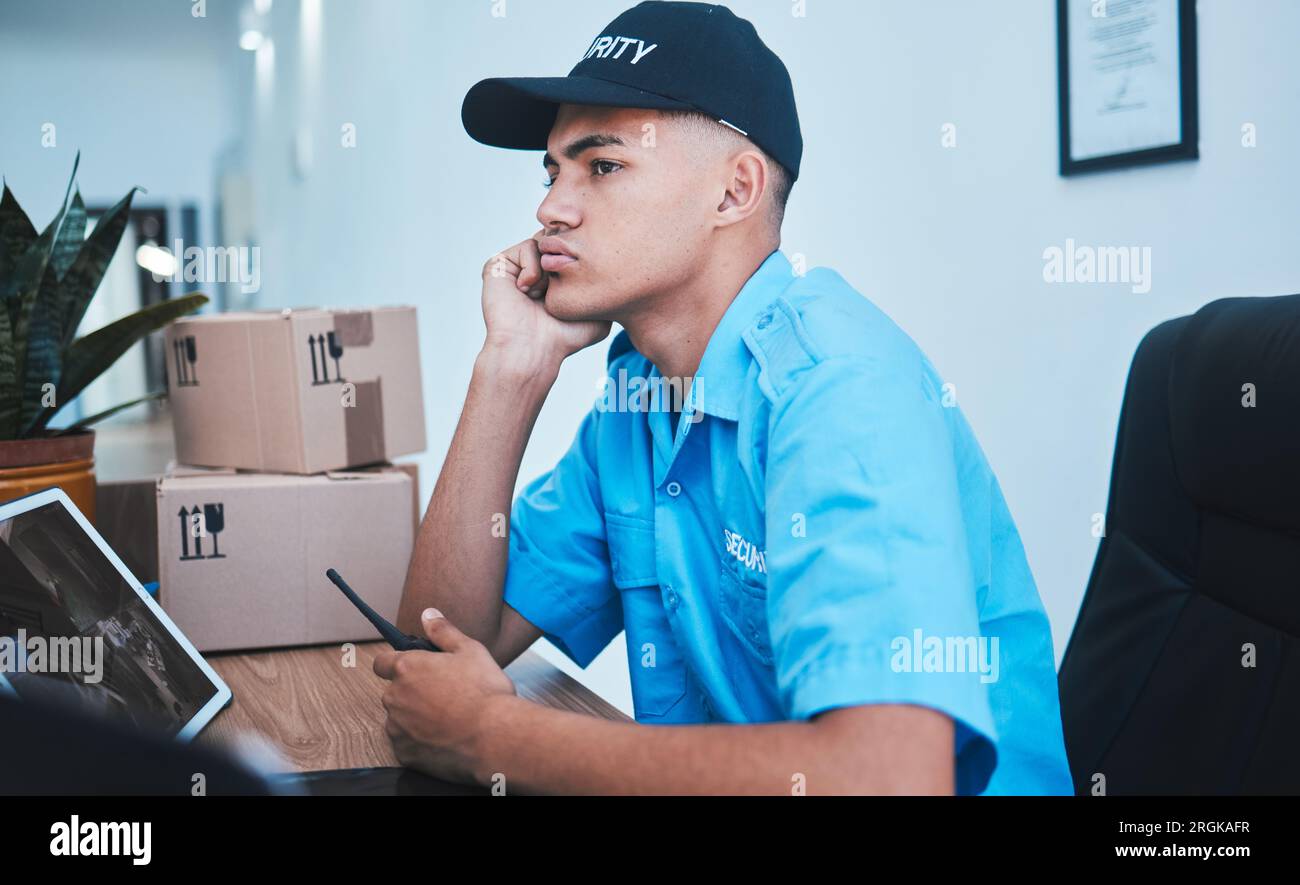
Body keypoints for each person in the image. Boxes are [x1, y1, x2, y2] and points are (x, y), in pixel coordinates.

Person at [378, 1, 1072, 795]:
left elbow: (891, 777)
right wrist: (510, 369)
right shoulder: (638, 398)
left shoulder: (840, 390)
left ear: (734, 192)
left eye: (601, 166)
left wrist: (496, 736)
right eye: (552, 171)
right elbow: (440, 651)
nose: (549, 209)